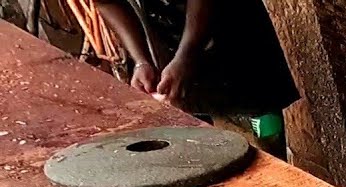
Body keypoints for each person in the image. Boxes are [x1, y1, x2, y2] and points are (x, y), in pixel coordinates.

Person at [97, 0, 299, 154]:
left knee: (261, 137)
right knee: (198, 147)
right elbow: (106, 2)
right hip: (165, 30)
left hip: (231, 31)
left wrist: (185, 56)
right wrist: (142, 60)